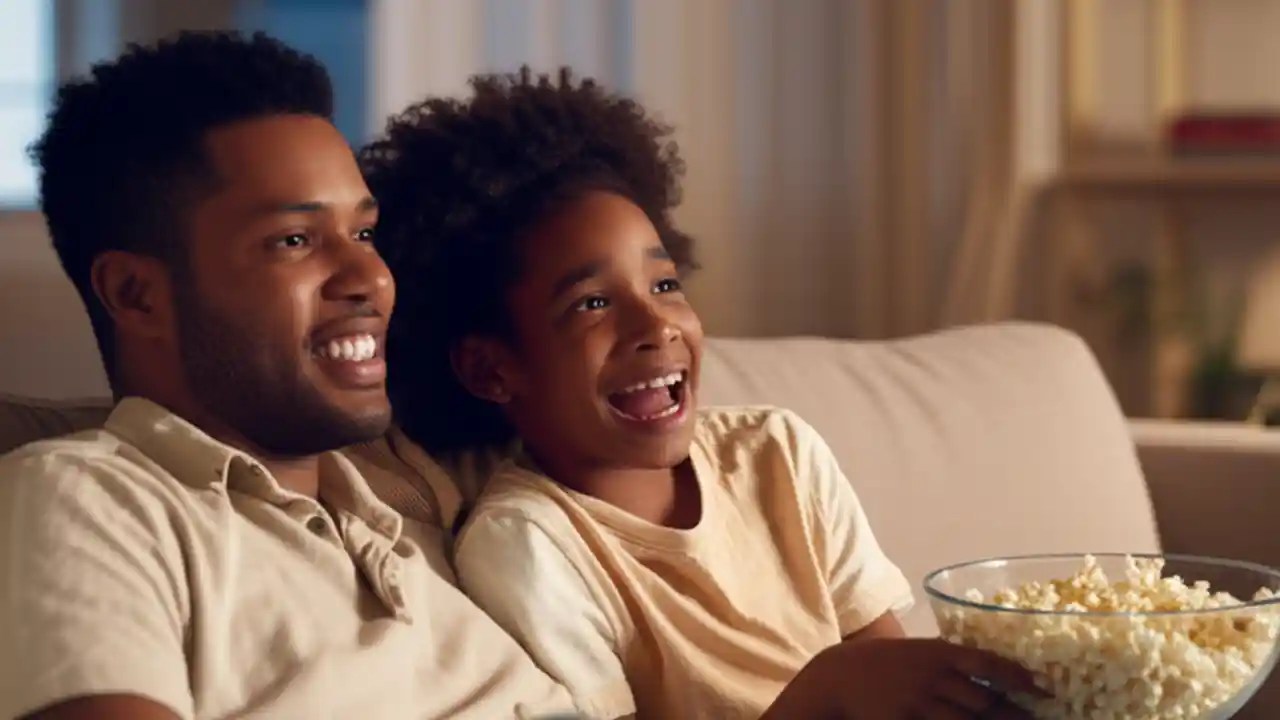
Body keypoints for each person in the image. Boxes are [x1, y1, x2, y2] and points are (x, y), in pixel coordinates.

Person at [361, 68, 1044, 719]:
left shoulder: (780, 453)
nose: (655, 325)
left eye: (664, 285)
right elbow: (853, 687)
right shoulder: (529, 546)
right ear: (490, 369)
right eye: (593, 302)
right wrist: (825, 692)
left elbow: (898, 688)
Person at [0, 33, 576, 720]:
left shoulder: (411, 510)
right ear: (136, 295)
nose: (371, 277)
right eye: (294, 241)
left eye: (363, 234)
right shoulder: (91, 499)